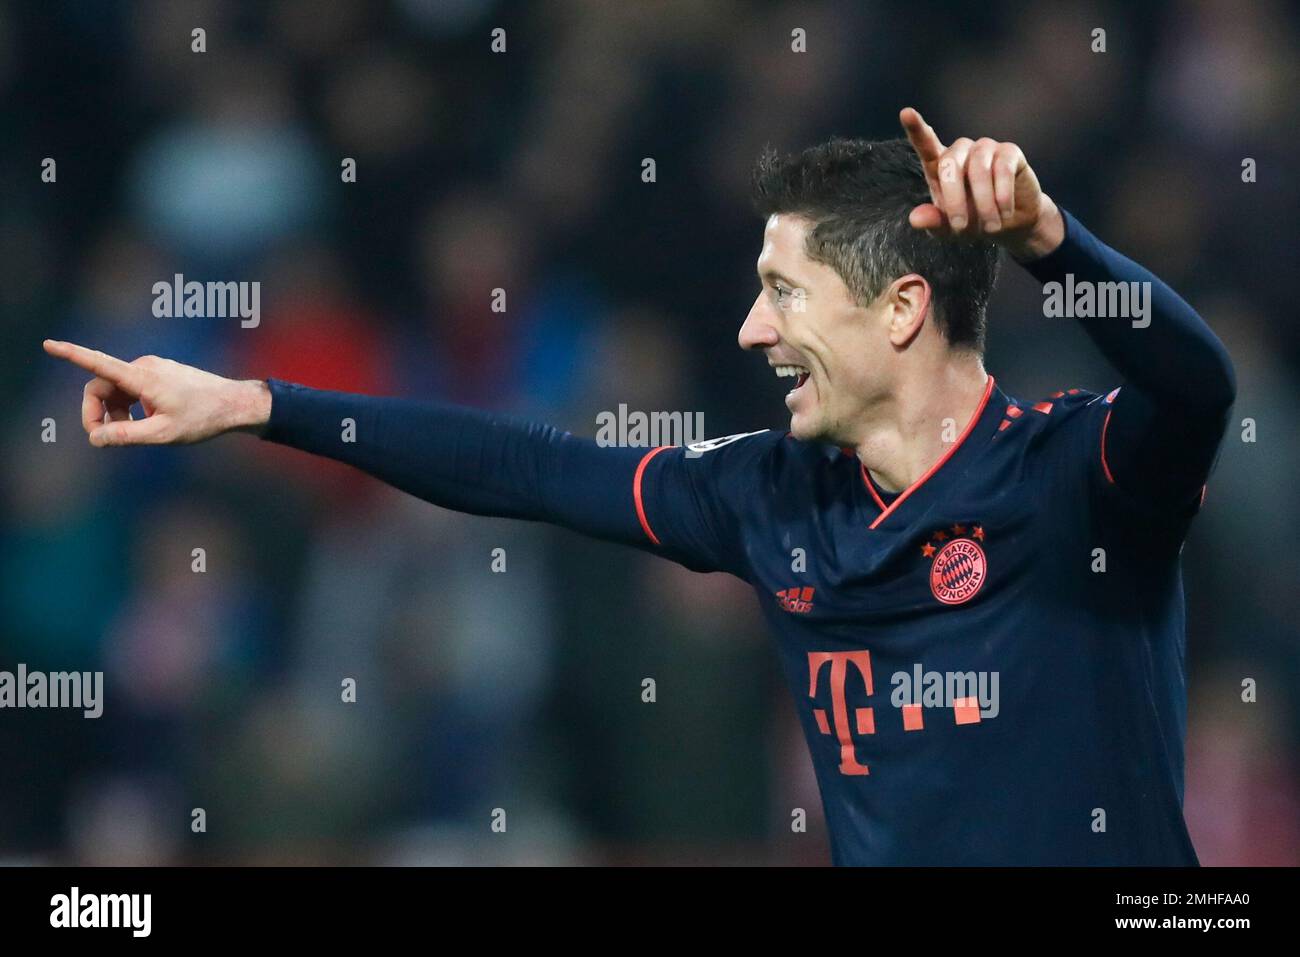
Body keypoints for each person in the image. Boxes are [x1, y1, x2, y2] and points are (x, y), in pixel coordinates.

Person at [44, 108, 1235, 865]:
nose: (749, 327)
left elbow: (1194, 388)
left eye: (783, 290)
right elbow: (529, 466)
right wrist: (258, 405)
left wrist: (1048, 239)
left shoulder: (1073, 474)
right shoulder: (771, 495)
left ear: (903, 307)